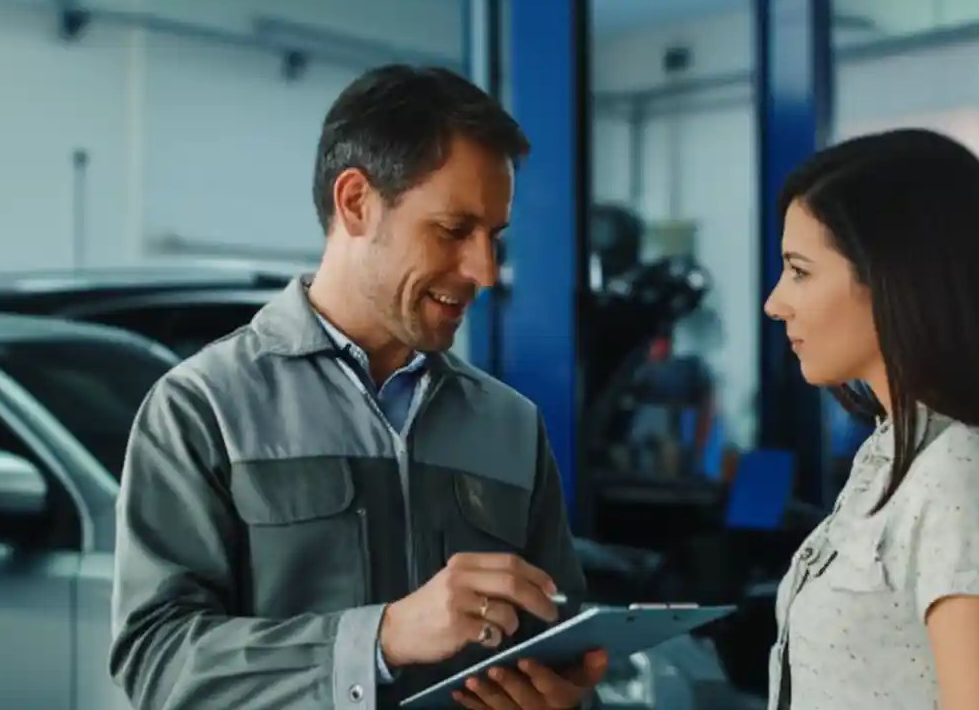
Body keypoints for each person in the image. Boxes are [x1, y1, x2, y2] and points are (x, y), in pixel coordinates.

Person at [107, 64, 608, 710]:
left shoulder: (511, 425)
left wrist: (566, 700)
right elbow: (158, 661)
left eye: (494, 238)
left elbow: (555, 645)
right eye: (454, 231)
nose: (483, 270)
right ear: (356, 203)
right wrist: (382, 637)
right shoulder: (203, 410)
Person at [761, 128, 979, 710]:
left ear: (893, 278)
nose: (775, 301)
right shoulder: (891, 451)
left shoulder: (965, 476)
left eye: (799, 271)